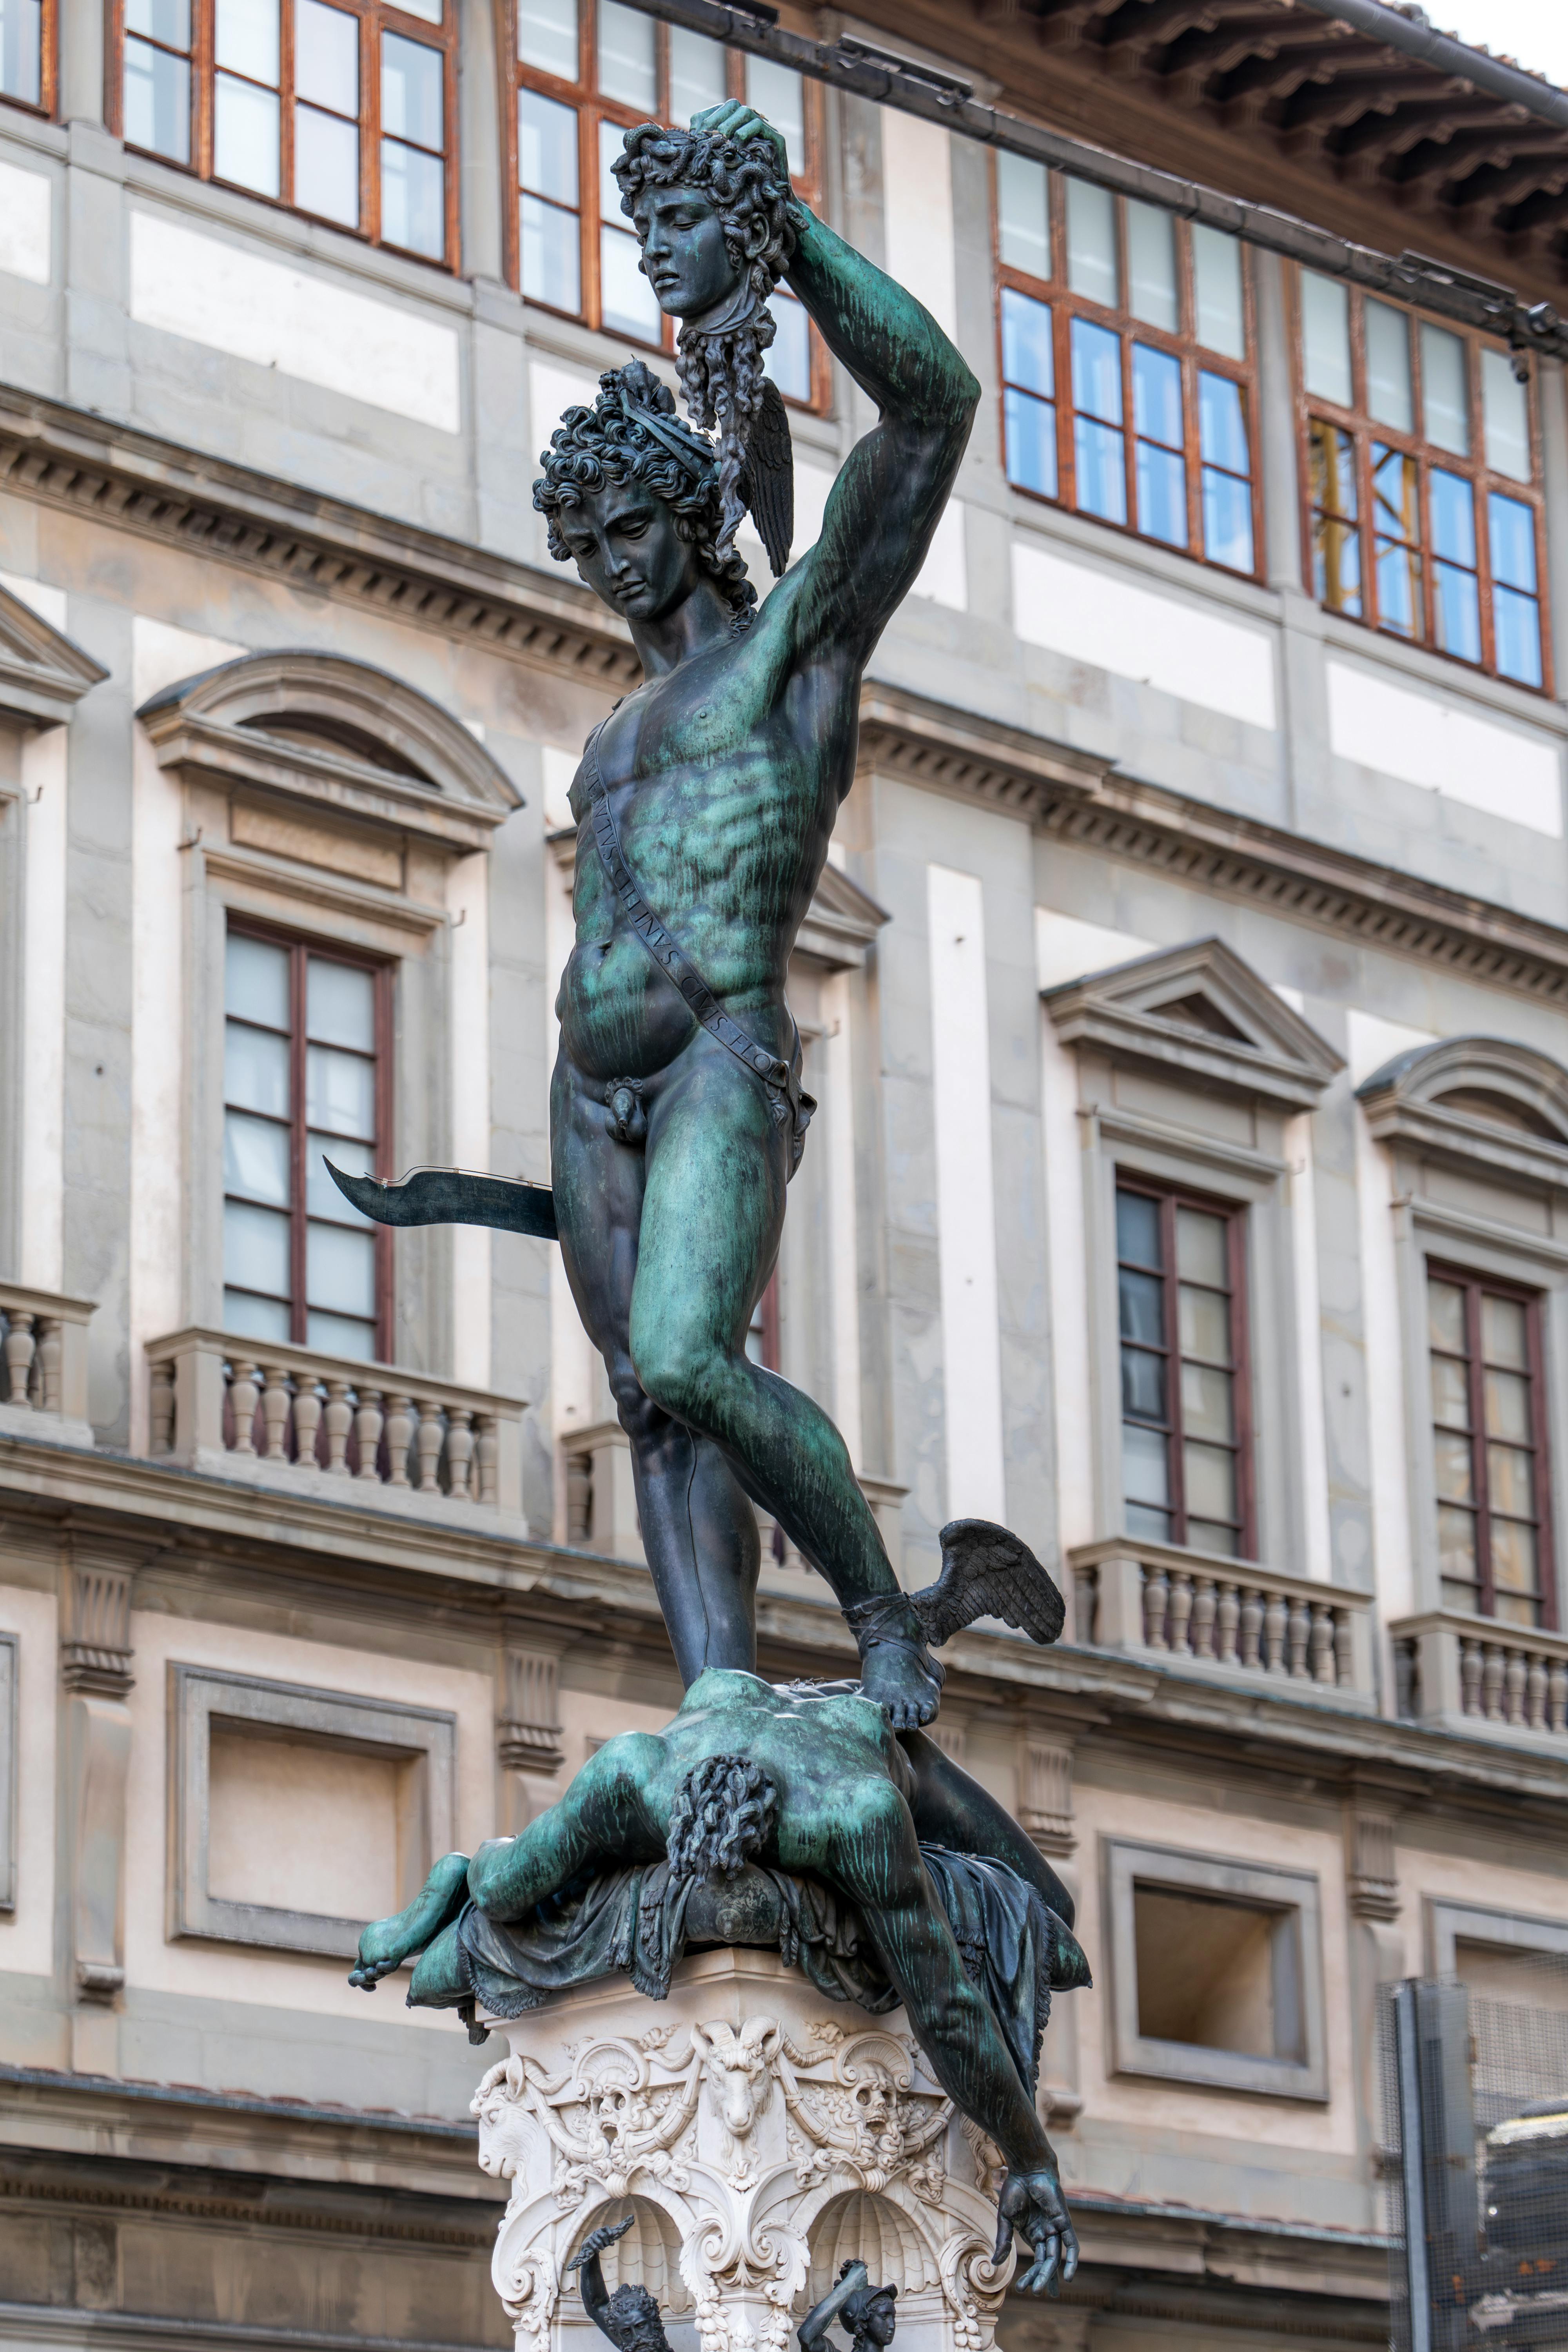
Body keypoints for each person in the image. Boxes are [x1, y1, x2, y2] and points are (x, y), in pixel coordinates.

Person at [534, 98, 981, 1732]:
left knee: (697, 1352)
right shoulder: (610, 736)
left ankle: (884, 1618)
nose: (609, 566)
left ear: (690, 511)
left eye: (632, 528)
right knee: (654, 1404)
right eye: (584, 546)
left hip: (722, 1050)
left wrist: (782, 239)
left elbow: (931, 409)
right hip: (593, 1086)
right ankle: (717, 1704)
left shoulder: (793, 650)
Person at [351, 1671, 1078, 2295]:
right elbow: (507, 1887)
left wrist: (1032, 2156)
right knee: (506, 1885)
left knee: (1053, 1907)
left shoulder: (857, 1815)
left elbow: (946, 2007)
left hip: (871, 1734)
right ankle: (449, 1877)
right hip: (723, 1700)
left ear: (783, 1845)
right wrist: (463, 1882)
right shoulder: (629, 1774)